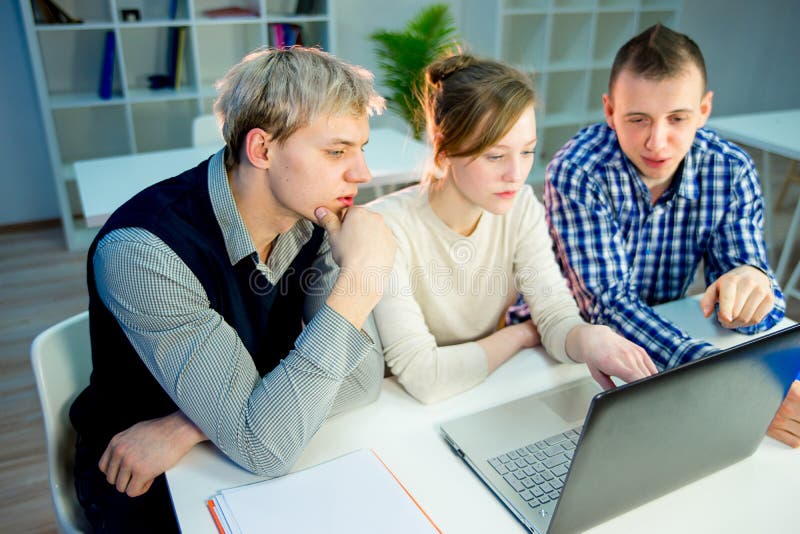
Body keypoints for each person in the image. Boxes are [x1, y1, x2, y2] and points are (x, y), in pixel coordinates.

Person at [69, 47, 397, 531]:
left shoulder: (317, 217)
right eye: (336, 151)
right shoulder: (144, 252)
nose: (361, 174)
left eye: (361, 149)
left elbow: (363, 379)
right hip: (146, 480)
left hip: (239, 449)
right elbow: (265, 447)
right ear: (262, 149)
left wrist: (191, 425)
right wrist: (360, 280)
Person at [544, 24, 799, 448]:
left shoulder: (729, 168)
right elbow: (609, 306)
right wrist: (732, 383)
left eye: (678, 118)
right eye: (637, 119)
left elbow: (744, 285)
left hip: (666, 340)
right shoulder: (577, 171)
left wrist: (751, 284)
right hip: (570, 350)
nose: (656, 141)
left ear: (703, 110)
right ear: (609, 111)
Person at [367, 54, 658, 406]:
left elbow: (554, 316)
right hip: (398, 409)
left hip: (478, 392)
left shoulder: (519, 208)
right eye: (495, 156)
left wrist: (590, 337)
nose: (516, 174)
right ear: (444, 152)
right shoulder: (387, 228)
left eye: (527, 152)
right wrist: (520, 335)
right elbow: (424, 376)